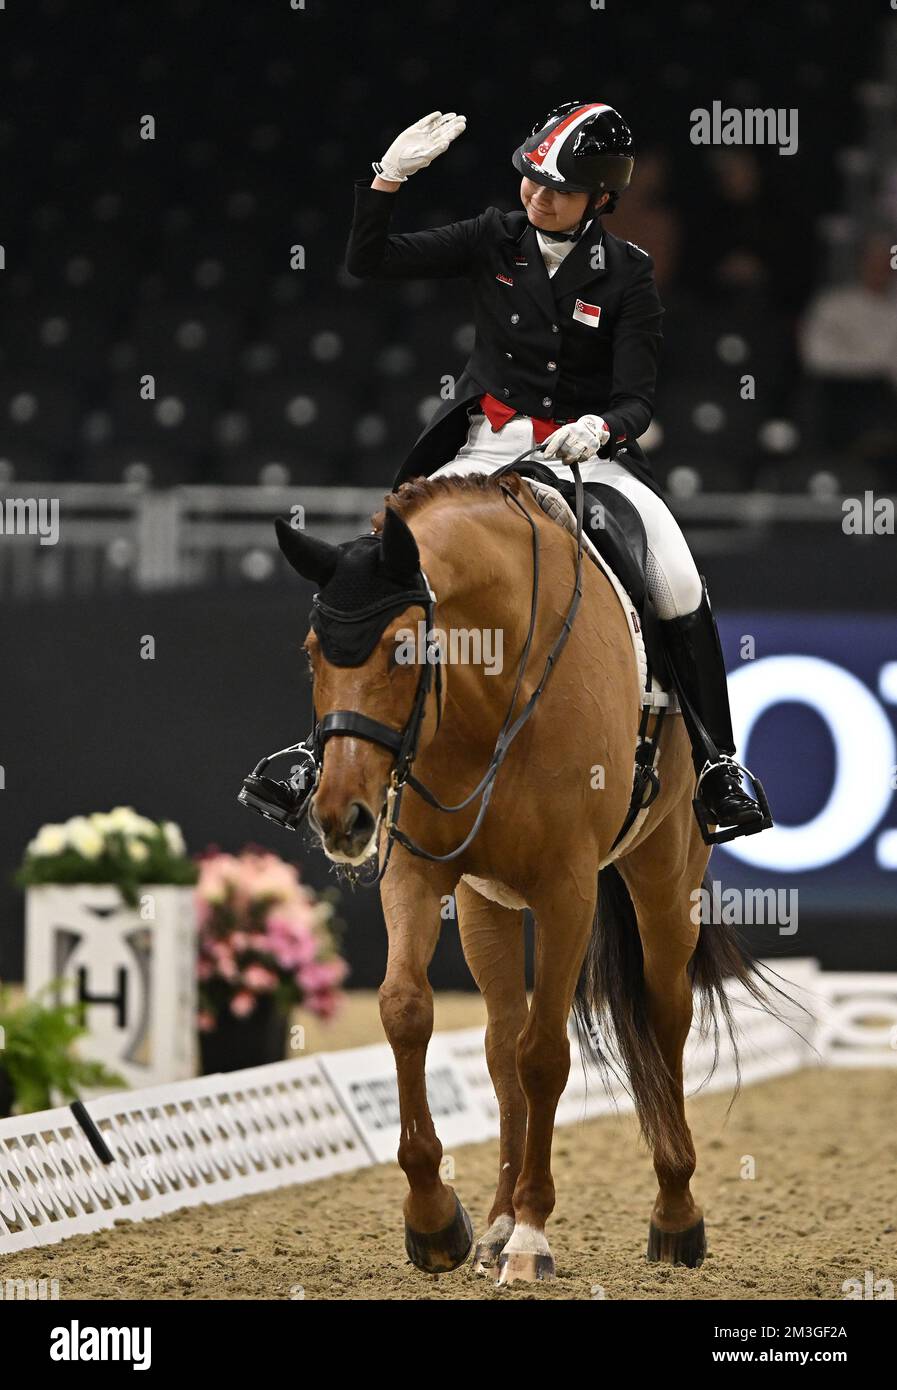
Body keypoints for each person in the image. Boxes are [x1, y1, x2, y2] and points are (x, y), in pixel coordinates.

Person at [345, 104, 770, 842]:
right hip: (484, 445)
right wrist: (386, 181)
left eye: (559, 189)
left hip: (584, 454)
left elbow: (637, 396)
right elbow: (370, 262)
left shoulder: (628, 274)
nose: (539, 198)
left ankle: (716, 765)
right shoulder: (491, 237)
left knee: (673, 575)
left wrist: (602, 426)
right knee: (369, 560)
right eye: (532, 182)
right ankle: (309, 754)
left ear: (601, 198)